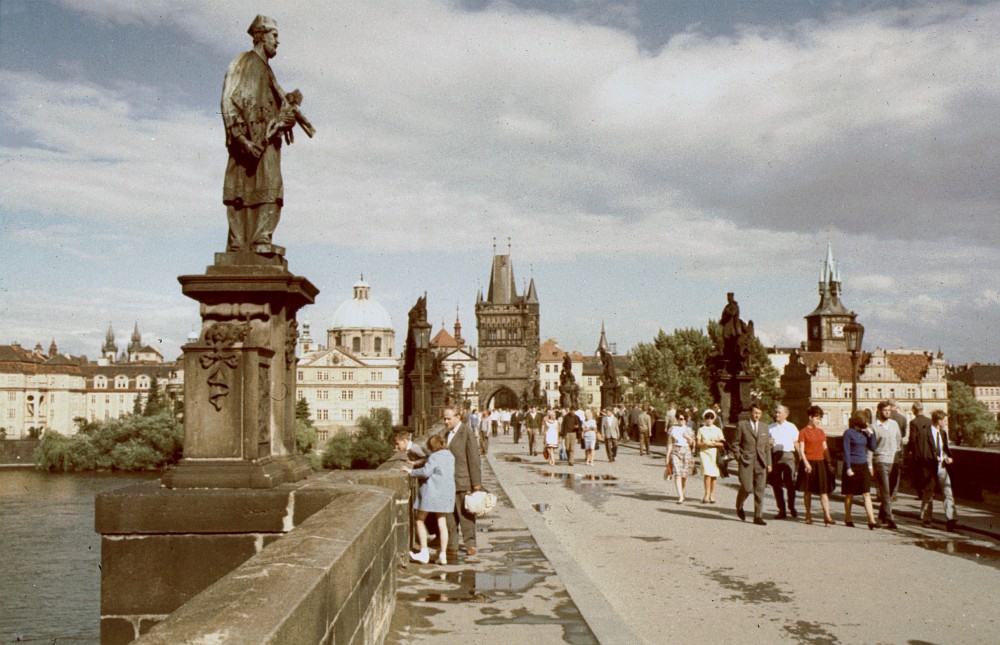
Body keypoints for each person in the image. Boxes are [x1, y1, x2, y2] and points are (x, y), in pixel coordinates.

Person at [221, 15, 302, 253]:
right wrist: (241, 139)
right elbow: (229, 100)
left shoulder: (268, 71)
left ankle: (260, 241)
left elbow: (271, 106)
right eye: (274, 35)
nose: (278, 41)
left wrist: (286, 117)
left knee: (270, 187)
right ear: (261, 35)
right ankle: (241, 243)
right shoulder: (243, 62)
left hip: (268, 141)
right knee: (242, 190)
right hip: (248, 140)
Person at [408, 433, 455, 565]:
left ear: (432, 446)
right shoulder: (450, 456)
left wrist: (410, 472)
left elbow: (425, 472)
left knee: (419, 519)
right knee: (442, 523)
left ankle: (424, 553)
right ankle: (443, 555)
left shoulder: (434, 456)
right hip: (446, 493)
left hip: (432, 492)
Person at [442, 407, 482, 558]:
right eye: (444, 419)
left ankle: (470, 544)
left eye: (449, 418)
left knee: (465, 515)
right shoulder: (446, 434)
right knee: (449, 516)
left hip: (462, 481)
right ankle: (452, 545)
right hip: (448, 482)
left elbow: (474, 459)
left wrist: (476, 483)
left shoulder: (466, 432)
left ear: (458, 417)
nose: (446, 421)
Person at [910, 409, 957, 531]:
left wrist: (948, 457)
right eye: (945, 420)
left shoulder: (943, 433)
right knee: (928, 493)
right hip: (929, 467)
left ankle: (951, 518)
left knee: (948, 491)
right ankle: (926, 519)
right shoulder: (924, 433)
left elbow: (945, 449)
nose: (946, 423)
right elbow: (920, 451)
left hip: (942, 466)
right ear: (939, 421)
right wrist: (931, 458)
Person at [795, 405, 835, 525]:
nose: (819, 421)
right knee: (808, 490)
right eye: (817, 418)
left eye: (820, 418)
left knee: (823, 491)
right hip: (809, 462)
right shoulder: (803, 432)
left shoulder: (820, 431)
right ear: (810, 417)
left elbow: (825, 448)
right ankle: (808, 515)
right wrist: (806, 463)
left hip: (820, 462)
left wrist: (829, 462)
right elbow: (801, 450)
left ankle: (827, 515)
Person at [735, 403, 771, 525]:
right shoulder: (742, 425)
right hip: (746, 461)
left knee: (760, 490)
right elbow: (735, 444)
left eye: (759, 413)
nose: (757, 415)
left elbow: (767, 447)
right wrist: (739, 457)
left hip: (761, 462)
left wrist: (769, 463)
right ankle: (739, 505)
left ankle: (758, 516)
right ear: (750, 412)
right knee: (747, 487)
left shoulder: (764, 427)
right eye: (755, 413)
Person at [842, 411, 878, 529]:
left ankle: (871, 520)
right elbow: (846, 451)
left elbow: (872, 447)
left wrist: (872, 435)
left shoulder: (864, 433)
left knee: (866, 493)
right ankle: (848, 517)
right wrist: (848, 468)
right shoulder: (848, 433)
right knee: (850, 493)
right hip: (852, 464)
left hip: (863, 464)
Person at [872, 401, 902, 529]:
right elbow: (871, 447)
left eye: (889, 410)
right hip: (881, 460)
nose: (887, 412)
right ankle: (890, 518)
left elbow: (899, 441)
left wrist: (899, 457)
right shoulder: (873, 427)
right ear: (879, 411)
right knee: (885, 490)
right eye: (885, 410)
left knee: (889, 492)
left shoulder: (894, 424)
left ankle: (882, 515)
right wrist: (870, 464)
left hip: (893, 460)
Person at [768, 405, 799, 519]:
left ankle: (791, 506)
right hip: (775, 456)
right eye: (776, 412)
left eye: (779, 413)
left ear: (786, 414)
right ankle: (782, 509)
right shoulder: (770, 427)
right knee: (776, 484)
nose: (777, 415)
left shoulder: (792, 427)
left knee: (790, 483)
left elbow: (796, 443)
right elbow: (766, 445)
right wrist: (768, 442)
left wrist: (802, 458)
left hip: (788, 455)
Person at [665, 411, 696, 503]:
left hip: (686, 451)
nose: (681, 421)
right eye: (679, 418)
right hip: (676, 451)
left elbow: (692, 444)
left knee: (684, 475)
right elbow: (669, 443)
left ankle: (682, 490)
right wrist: (667, 456)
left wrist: (688, 438)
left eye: (683, 419)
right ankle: (680, 496)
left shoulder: (688, 430)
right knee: (677, 474)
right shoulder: (672, 429)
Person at [697, 409, 725, 503]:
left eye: (711, 418)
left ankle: (712, 494)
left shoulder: (717, 430)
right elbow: (698, 443)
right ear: (704, 419)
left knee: (713, 475)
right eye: (707, 418)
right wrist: (705, 444)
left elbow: (722, 443)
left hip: (715, 454)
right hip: (705, 453)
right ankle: (706, 494)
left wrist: (713, 443)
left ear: (714, 419)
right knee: (707, 473)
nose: (709, 420)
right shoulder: (701, 429)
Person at [888, 398, 907, 500]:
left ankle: (883, 493)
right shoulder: (902, 418)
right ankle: (894, 493)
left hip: (886, 445)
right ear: (896, 406)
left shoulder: (883, 416)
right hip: (897, 446)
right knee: (896, 469)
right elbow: (903, 434)